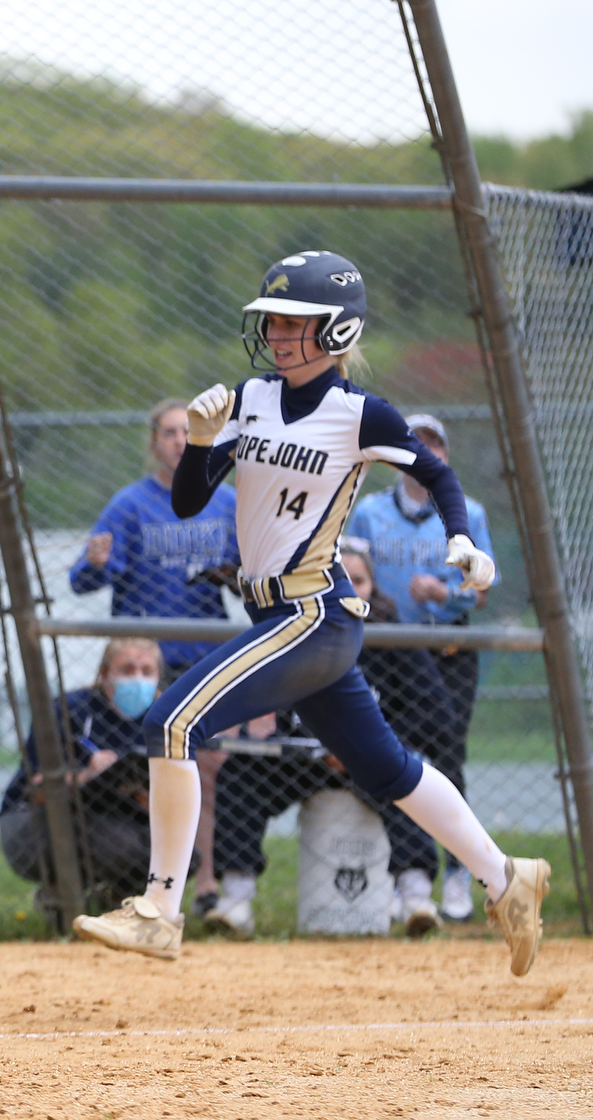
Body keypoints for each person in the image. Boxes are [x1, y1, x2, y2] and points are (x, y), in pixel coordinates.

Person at [72, 249, 549, 977]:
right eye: (273, 320)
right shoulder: (251, 398)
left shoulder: (359, 413)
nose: (279, 332)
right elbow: (190, 500)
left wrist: (459, 537)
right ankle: (507, 878)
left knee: (171, 722)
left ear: (338, 331)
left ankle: (160, 913)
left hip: (312, 614)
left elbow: (436, 474)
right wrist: (202, 441)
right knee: (386, 768)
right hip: (279, 619)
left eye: (298, 322)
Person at [205, 541, 462, 939]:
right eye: (334, 579)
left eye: (356, 580)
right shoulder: (295, 633)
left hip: (372, 759)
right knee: (241, 775)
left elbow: (435, 714)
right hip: (306, 761)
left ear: (373, 587)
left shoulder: (393, 639)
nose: (346, 589)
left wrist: (373, 745)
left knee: (410, 777)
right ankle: (236, 900)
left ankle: (415, 898)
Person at [69, 399, 240, 914]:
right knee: (155, 777)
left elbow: (251, 574)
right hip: (145, 666)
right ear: (153, 444)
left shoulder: (225, 501)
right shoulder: (130, 505)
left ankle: (206, 883)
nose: (180, 441)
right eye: (169, 433)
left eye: (190, 432)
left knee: (206, 772)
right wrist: (97, 563)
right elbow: (83, 579)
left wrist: (234, 573)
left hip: (203, 659)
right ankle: (154, 887)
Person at [348, 413, 497, 922]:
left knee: (448, 757)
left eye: (435, 445)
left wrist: (445, 592)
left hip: (446, 648)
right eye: (417, 444)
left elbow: (480, 591)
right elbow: (353, 571)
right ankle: (407, 877)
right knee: (398, 755)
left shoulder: (466, 513)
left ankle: (459, 873)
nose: (425, 454)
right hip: (388, 652)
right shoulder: (368, 513)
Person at [0, 639, 189, 908]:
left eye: (147, 672)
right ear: (104, 674)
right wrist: (87, 774)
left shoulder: (166, 721)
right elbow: (37, 789)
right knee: (120, 845)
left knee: (186, 855)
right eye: (126, 670)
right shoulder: (70, 709)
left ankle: (114, 902)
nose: (137, 679)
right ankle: (61, 895)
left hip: (122, 816)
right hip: (42, 817)